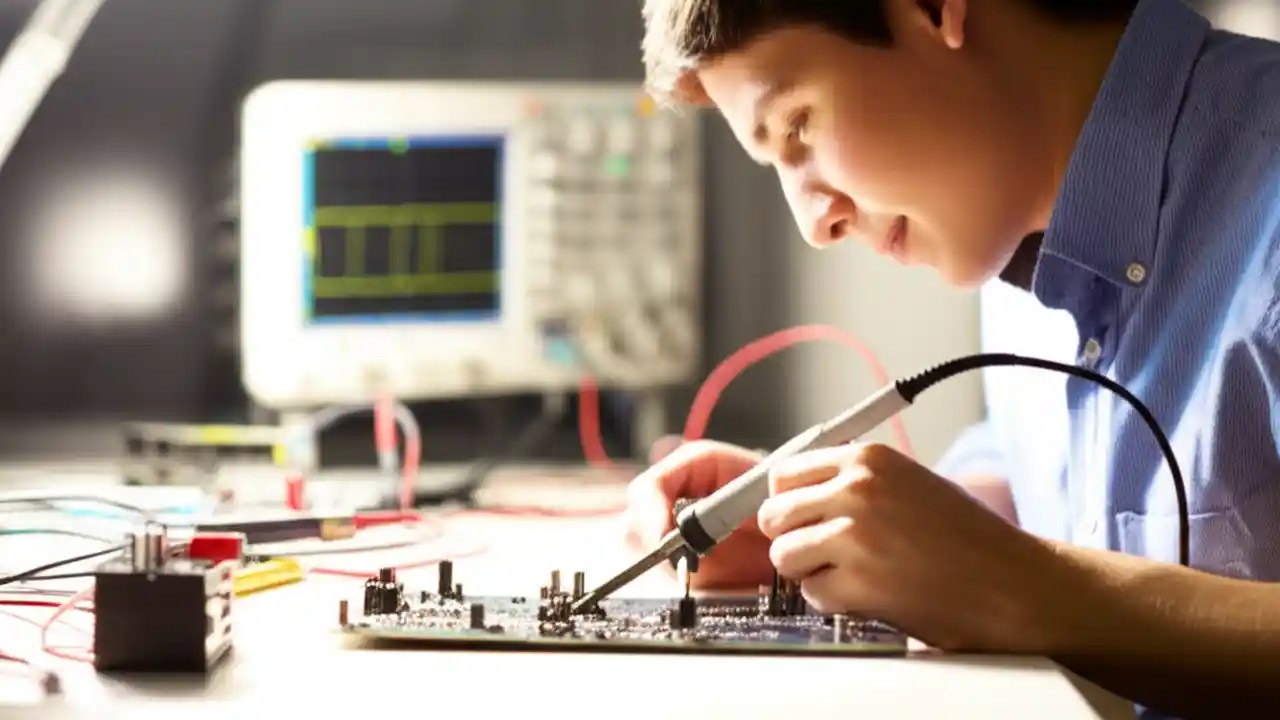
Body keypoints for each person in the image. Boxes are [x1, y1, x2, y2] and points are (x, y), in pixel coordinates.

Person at [623, 0, 1280, 716]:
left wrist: (1025, 589)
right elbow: (1041, 468)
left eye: (797, 125)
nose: (815, 224)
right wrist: (835, 531)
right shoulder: (1011, 211)